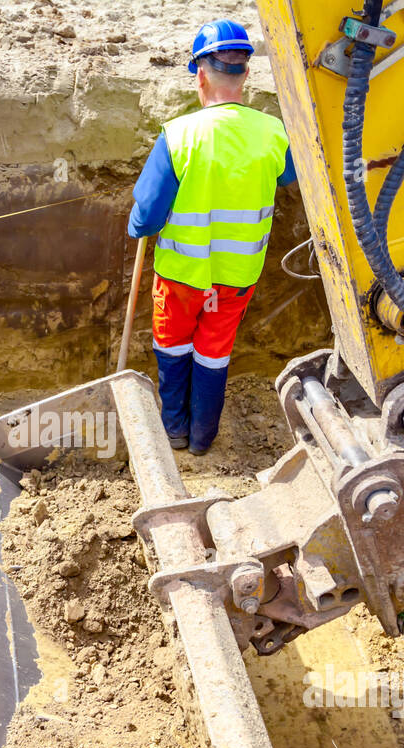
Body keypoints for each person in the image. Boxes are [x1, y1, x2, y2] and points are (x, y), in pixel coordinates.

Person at [127, 19, 296, 455]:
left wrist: (138, 225)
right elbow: (291, 176)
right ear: (244, 74)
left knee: (172, 347)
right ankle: (203, 438)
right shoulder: (274, 133)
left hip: (182, 276)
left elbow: (145, 218)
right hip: (236, 277)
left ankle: (175, 432)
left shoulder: (179, 135)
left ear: (200, 75)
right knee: (213, 354)